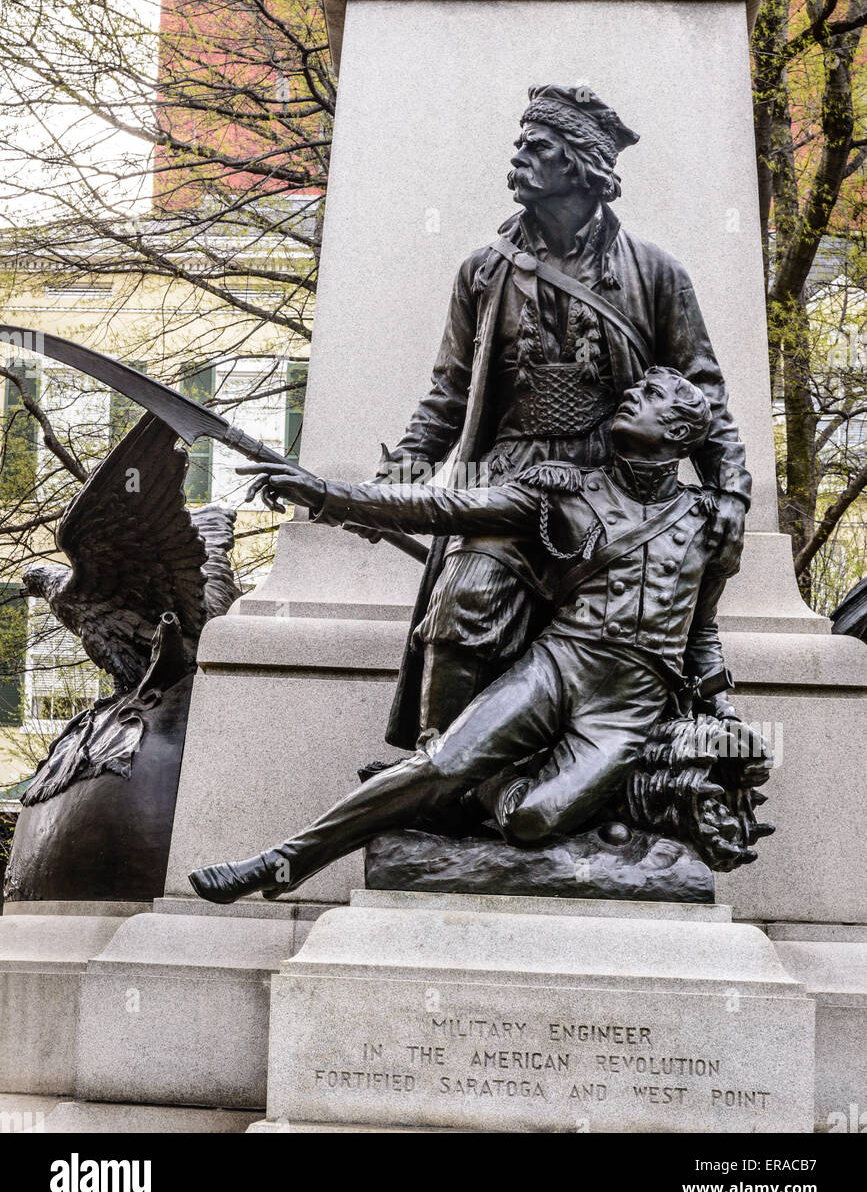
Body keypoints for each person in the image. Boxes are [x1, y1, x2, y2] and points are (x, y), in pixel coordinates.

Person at [190, 368, 741, 905]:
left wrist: (721, 706)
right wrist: (326, 495)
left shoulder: (711, 520)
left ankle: (481, 782)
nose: (630, 394)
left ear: (679, 432)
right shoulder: (569, 492)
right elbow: (442, 507)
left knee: (530, 820)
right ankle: (285, 861)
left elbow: (702, 626)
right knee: (440, 764)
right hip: (559, 663)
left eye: (650, 394)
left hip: (630, 701)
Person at [368, 84, 751, 749]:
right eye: (519, 144)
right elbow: (448, 393)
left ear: (578, 163)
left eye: (535, 146)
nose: (516, 157)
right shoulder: (482, 272)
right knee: (462, 604)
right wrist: (400, 471)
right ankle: (435, 788)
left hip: (615, 490)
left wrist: (730, 494)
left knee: (622, 633)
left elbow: (700, 391)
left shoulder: (656, 272)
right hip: (511, 484)